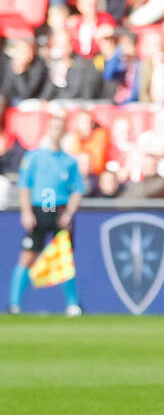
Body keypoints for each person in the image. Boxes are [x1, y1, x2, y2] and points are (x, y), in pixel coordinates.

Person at [10, 115, 83, 316]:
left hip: (59, 210)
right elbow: (24, 185)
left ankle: (73, 304)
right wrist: (26, 211)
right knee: (28, 255)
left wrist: (69, 213)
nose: (56, 131)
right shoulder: (34, 157)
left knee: (65, 258)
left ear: (65, 131)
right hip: (40, 209)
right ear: (47, 130)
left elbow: (77, 190)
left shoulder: (70, 161)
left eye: (60, 127)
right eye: (53, 127)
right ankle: (14, 304)